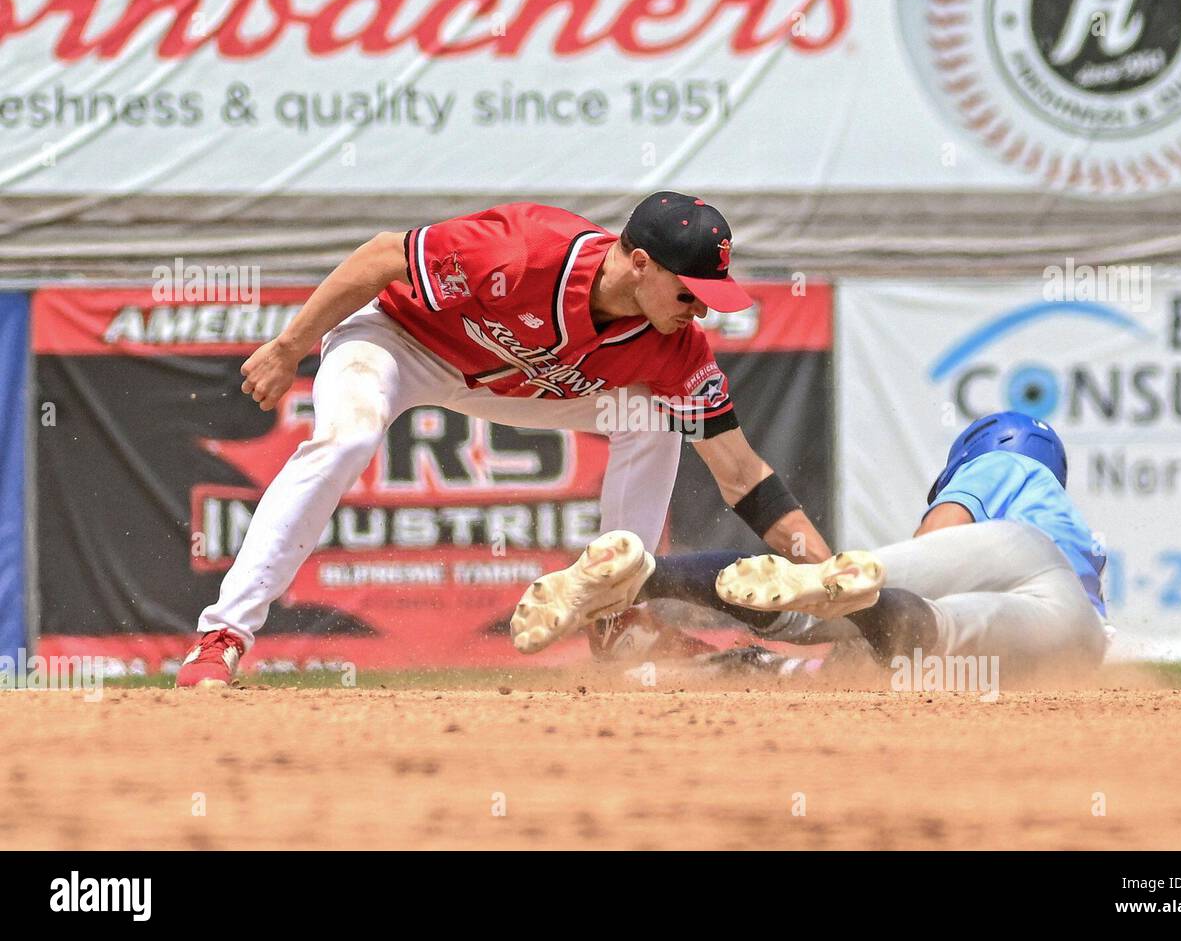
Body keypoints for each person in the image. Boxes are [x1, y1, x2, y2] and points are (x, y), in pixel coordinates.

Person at [177, 192, 831, 687]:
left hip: (514, 381)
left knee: (654, 416)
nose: (705, 310)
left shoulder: (676, 348)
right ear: (640, 264)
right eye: (694, 293)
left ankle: (614, 615)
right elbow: (382, 254)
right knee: (348, 436)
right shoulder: (526, 251)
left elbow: (743, 476)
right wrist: (291, 345)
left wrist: (835, 583)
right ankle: (222, 635)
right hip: (401, 342)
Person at [523, 412, 1110, 681]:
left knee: (833, 608)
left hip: (1018, 558)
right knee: (920, 630)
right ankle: (827, 620)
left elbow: (943, 537)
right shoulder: (1077, 535)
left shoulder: (1002, 460)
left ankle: (645, 577)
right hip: (1066, 640)